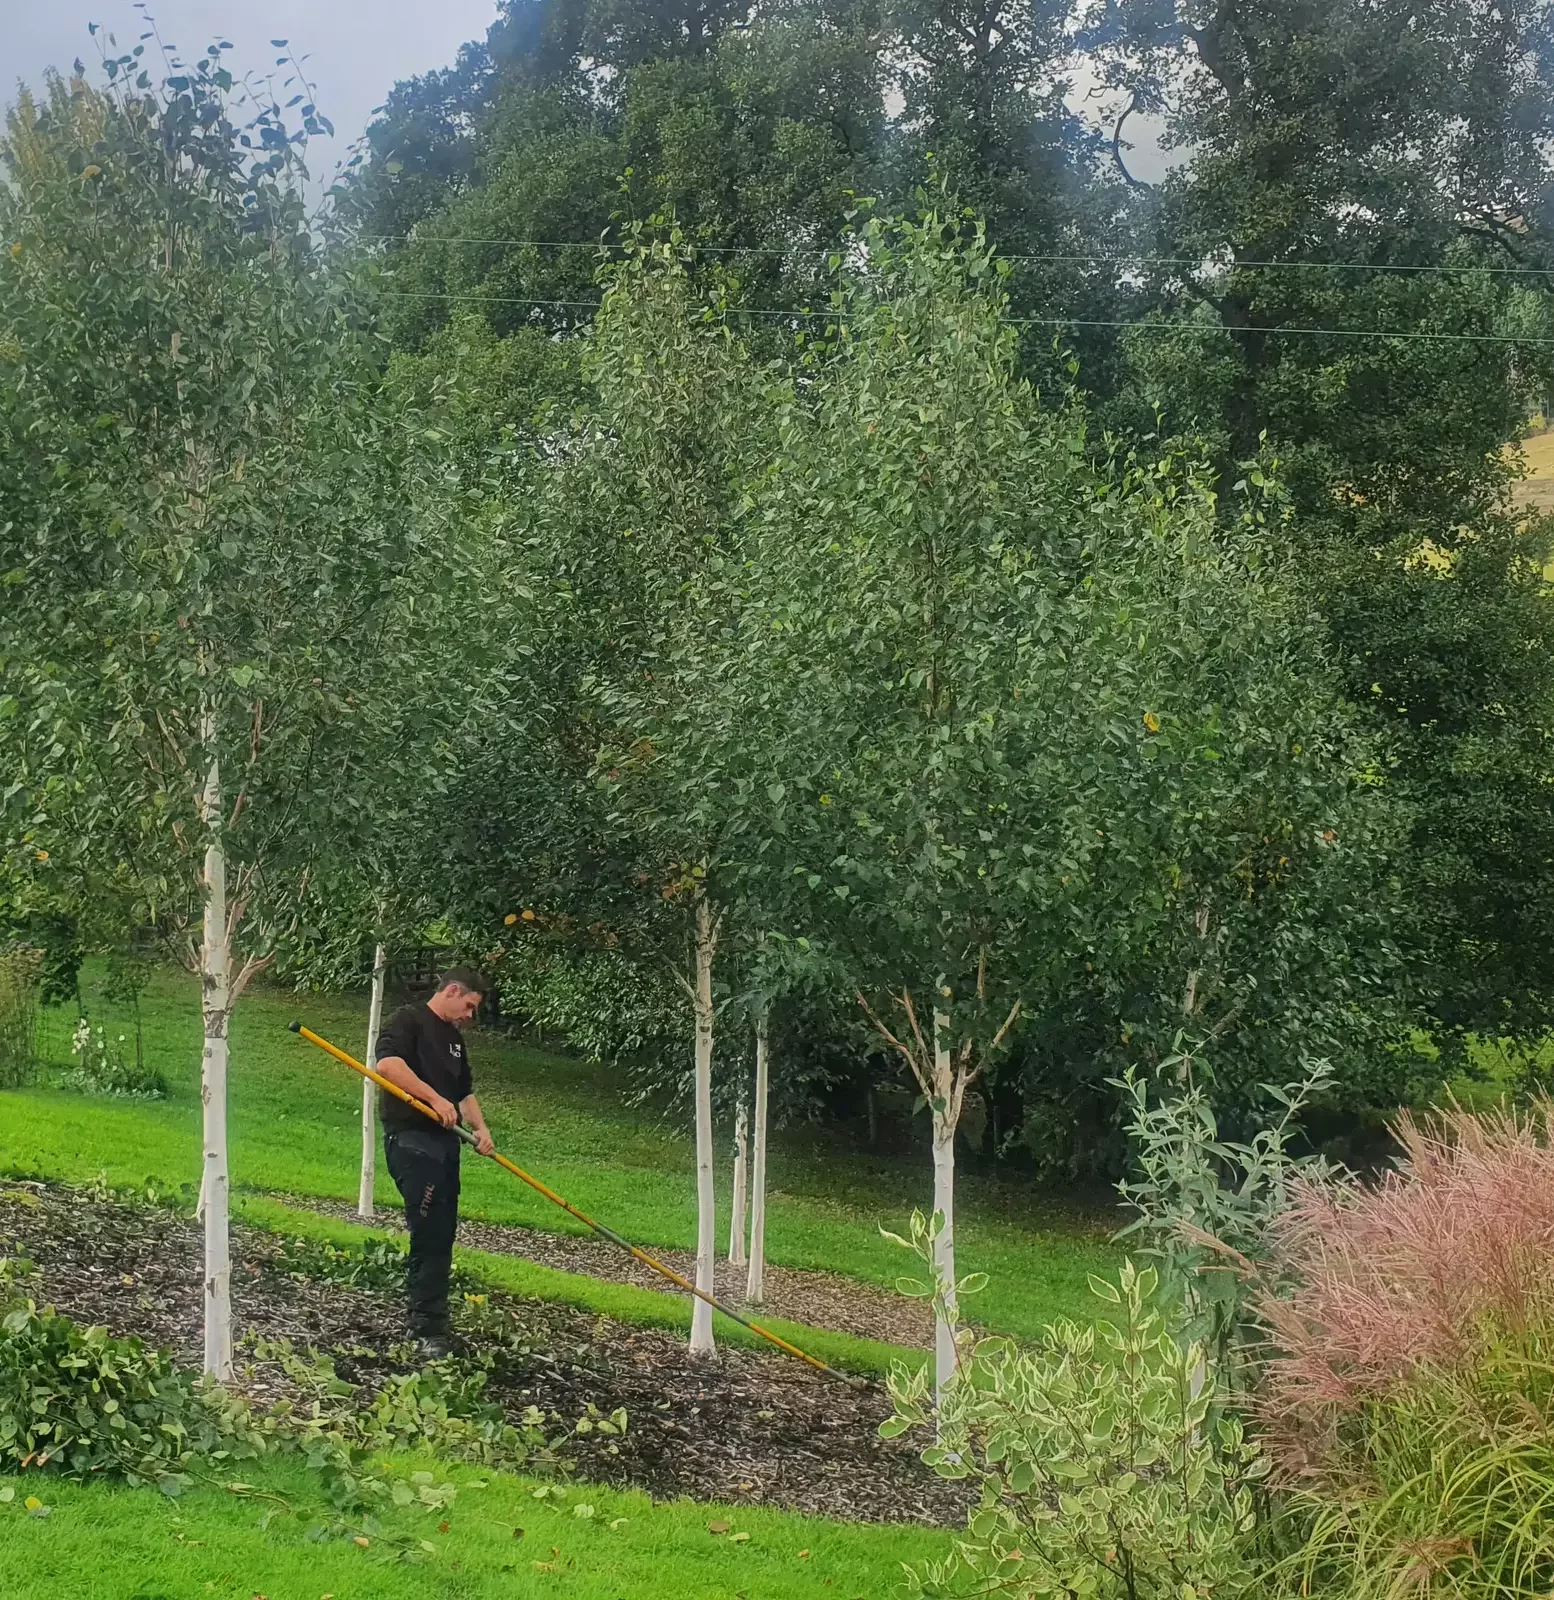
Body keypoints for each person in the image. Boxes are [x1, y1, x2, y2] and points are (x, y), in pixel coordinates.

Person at [372, 967, 496, 1358]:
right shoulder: (408, 1020)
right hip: (411, 1142)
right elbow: (387, 1066)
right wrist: (433, 1100)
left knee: (443, 1234)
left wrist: (481, 1129)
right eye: (469, 1006)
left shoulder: (455, 1041)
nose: (469, 1015)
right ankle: (423, 1329)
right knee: (428, 1232)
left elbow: (463, 1093)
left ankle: (435, 1325)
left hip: (446, 1147)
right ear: (453, 990)